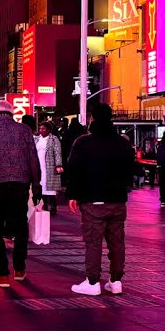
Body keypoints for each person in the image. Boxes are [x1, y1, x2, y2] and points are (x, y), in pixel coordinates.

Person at [65, 103, 136, 295]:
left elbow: (74, 170)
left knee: (93, 242)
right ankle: (116, 281)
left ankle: (92, 281)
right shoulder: (122, 142)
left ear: (92, 118)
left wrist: (72, 194)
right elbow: (130, 170)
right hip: (118, 201)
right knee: (117, 242)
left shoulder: (83, 143)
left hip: (93, 200)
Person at [0, 100, 42, 288]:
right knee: (20, 227)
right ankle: (19, 269)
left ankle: (3, 275)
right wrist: (36, 186)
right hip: (20, 185)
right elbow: (33, 159)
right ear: (12, 113)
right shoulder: (24, 131)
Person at [36, 120, 63, 204]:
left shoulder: (54, 139)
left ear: (49, 130)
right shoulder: (37, 139)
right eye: (40, 128)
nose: (41, 130)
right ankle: (43, 204)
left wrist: (58, 164)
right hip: (38, 164)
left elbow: (57, 152)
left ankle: (53, 206)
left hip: (50, 165)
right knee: (41, 183)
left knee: (50, 186)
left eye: (43, 129)